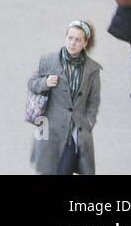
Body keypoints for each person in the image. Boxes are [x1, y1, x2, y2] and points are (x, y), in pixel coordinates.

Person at [27, 21, 101, 175]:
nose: (72, 43)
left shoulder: (92, 70)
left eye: (77, 40)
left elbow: (93, 101)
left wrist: (88, 121)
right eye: (70, 37)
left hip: (73, 133)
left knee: (64, 171)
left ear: (85, 43)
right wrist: (45, 82)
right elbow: (32, 84)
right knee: (48, 170)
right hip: (50, 130)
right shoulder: (49, 61)